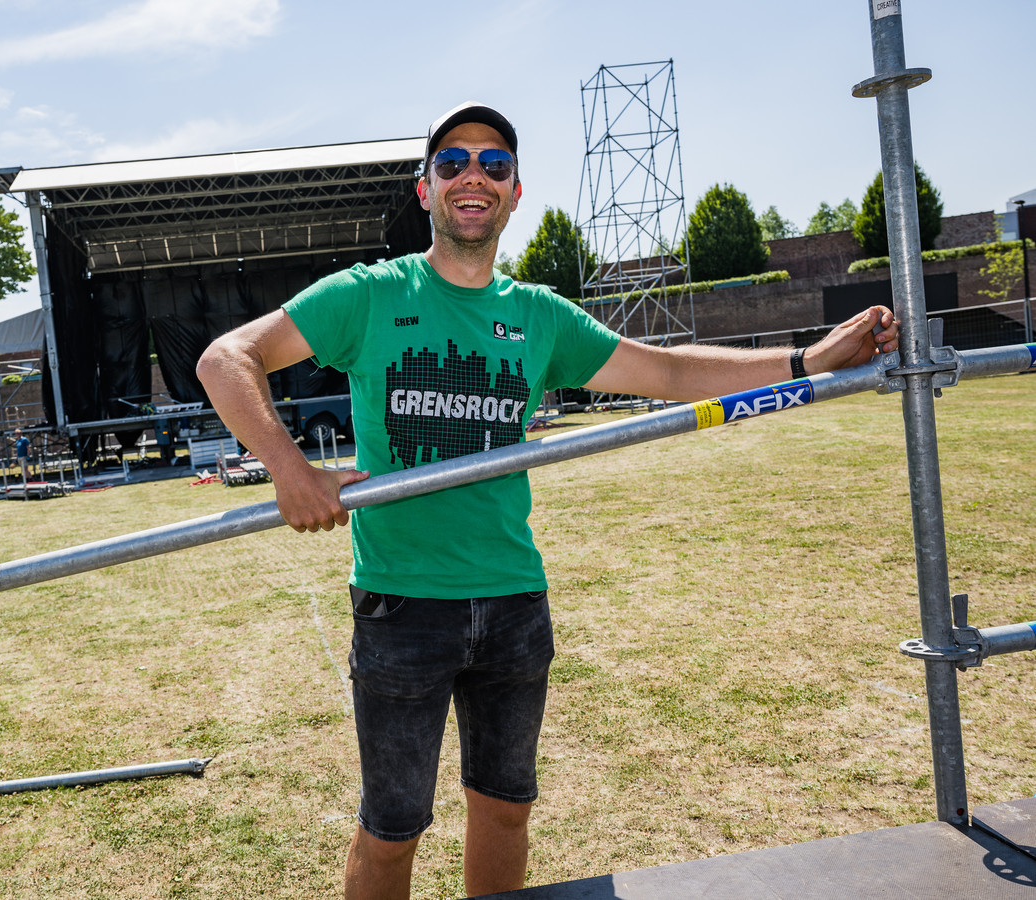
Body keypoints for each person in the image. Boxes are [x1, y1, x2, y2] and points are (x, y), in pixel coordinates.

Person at [196, 101, 900, 900]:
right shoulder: (369, 296)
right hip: (402, 608)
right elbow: (229, 357)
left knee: (505, 813)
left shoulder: (537, 317)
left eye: (493, 164)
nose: (473, 176)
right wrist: (291, 469)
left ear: (515, 192)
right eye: (452, 162)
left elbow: (667, 373)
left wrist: (808, 358)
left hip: (513, 605)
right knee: (392, 832)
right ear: (424, 191)